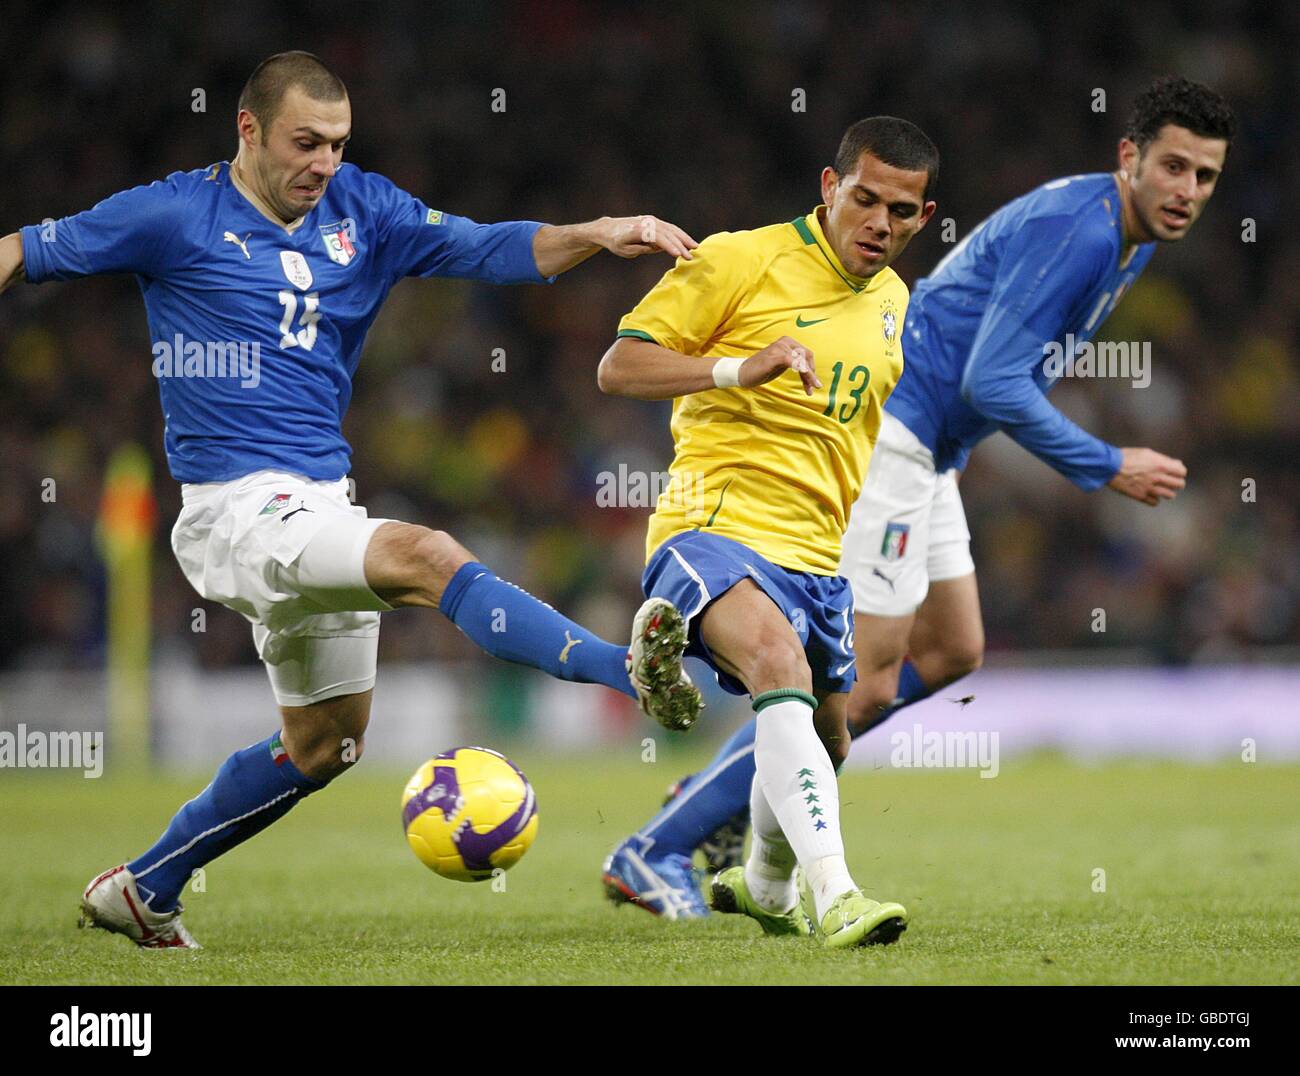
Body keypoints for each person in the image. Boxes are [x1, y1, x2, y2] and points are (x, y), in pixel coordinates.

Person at [0, 51, 703, 948]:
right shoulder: (174, 213)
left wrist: (600, 231)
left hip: (319, 501)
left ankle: (144, 888)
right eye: (305, 143)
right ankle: (626, 670)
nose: (323, 163)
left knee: (325, 746)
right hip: (233, 509)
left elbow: (488, 246)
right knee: (426, 553)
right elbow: (24, 250)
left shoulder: (363, 208)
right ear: (248, 131)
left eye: (336, 144)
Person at [607, 75, 1235, 920]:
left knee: (953, 650)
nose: (1187, 192)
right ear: (1130, 157)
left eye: (1205, 177)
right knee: (862, 684)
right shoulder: (1082, 232)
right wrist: (1105, 463)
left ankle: (746, 786)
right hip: (897, 431)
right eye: (1173, 168)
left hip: (931, 444)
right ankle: (671, 838)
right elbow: (996, 380)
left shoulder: (1126, 231)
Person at [598, 117, 939, 947]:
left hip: (818, 558)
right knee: (777, 670)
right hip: (711, 525)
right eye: (864, 200)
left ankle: (761, 883)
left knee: (829, 737)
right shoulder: (736, 260)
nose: (879, 225)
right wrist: (733, 368)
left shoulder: (895, 303)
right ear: (829, 187)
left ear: (923, 219)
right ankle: (840, 896)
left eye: (900, 211)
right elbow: (619, 364)